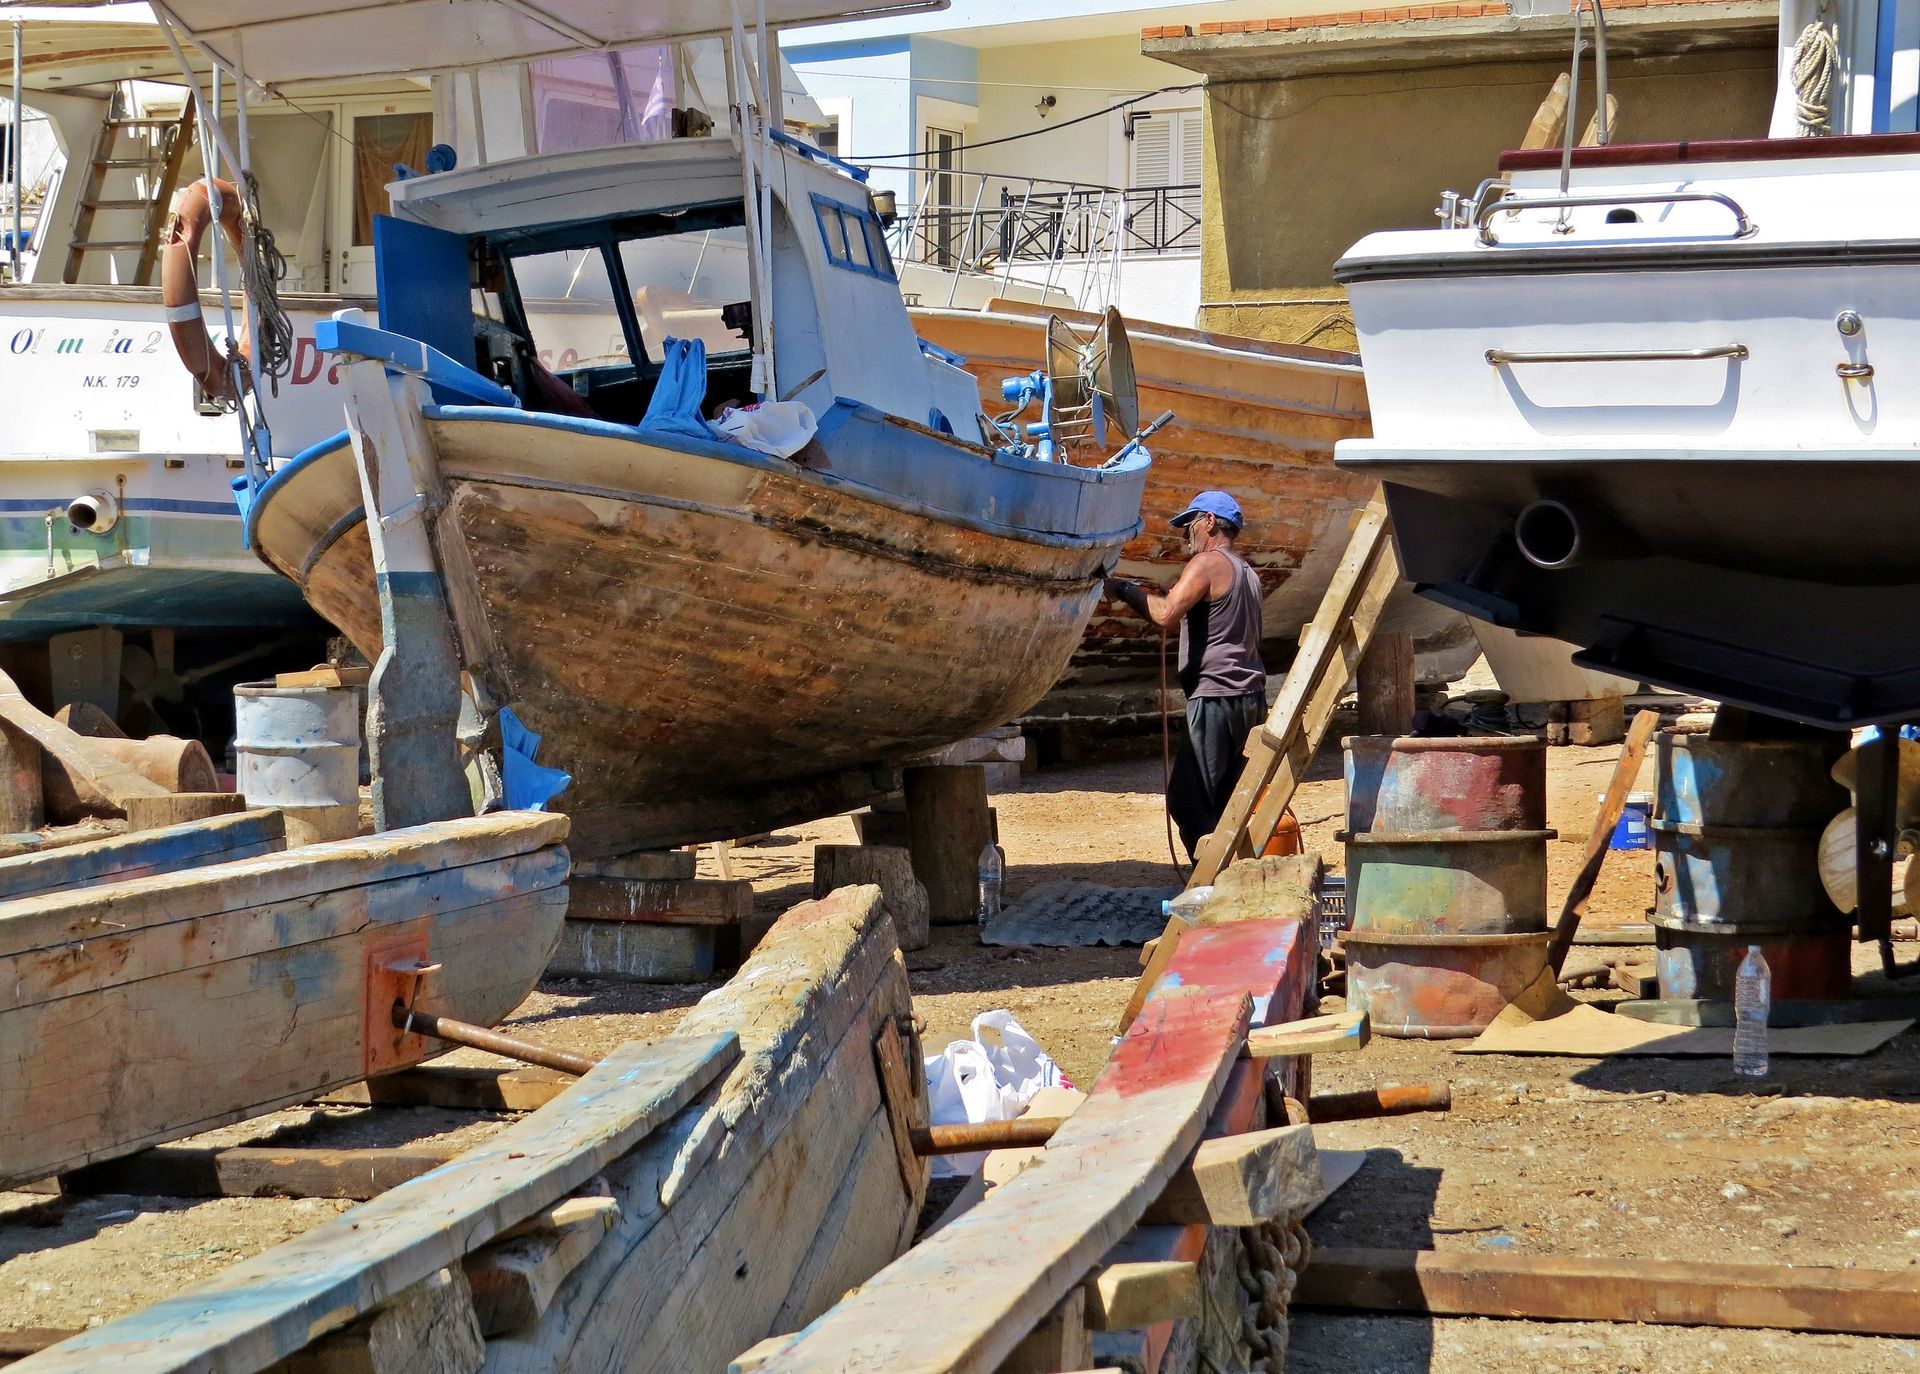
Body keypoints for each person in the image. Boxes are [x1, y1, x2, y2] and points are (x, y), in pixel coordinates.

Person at [1104, 490, 1266, 861]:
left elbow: (1164, 615)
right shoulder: (1247, 572)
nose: (1185, 536)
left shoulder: (1207, 563)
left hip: (1216, 698)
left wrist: (1125, 590)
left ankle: (1208, 877)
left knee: (1187, 799)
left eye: (1189, 525)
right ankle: (1231, 877)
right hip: (1250, 697)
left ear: (1209, 521)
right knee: (1227, 799)